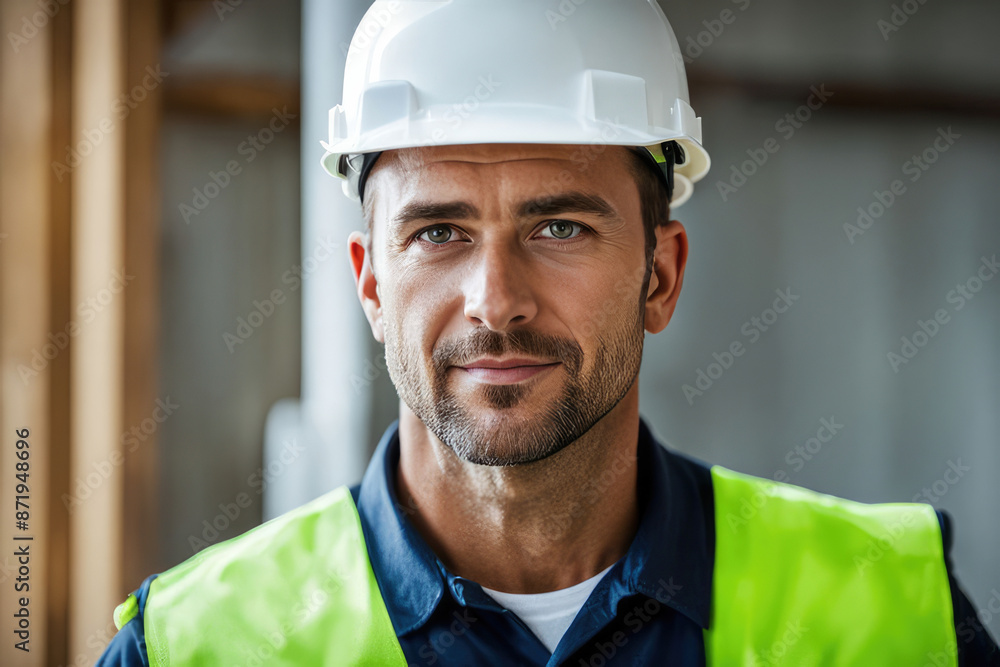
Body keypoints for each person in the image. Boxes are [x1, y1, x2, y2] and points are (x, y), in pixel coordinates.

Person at [98, 0, 999, 664]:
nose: (497, 300)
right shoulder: (194, 644)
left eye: (558, 228)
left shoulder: (890, 607)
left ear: (661, 272)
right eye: (439, 232)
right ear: (372, 284)